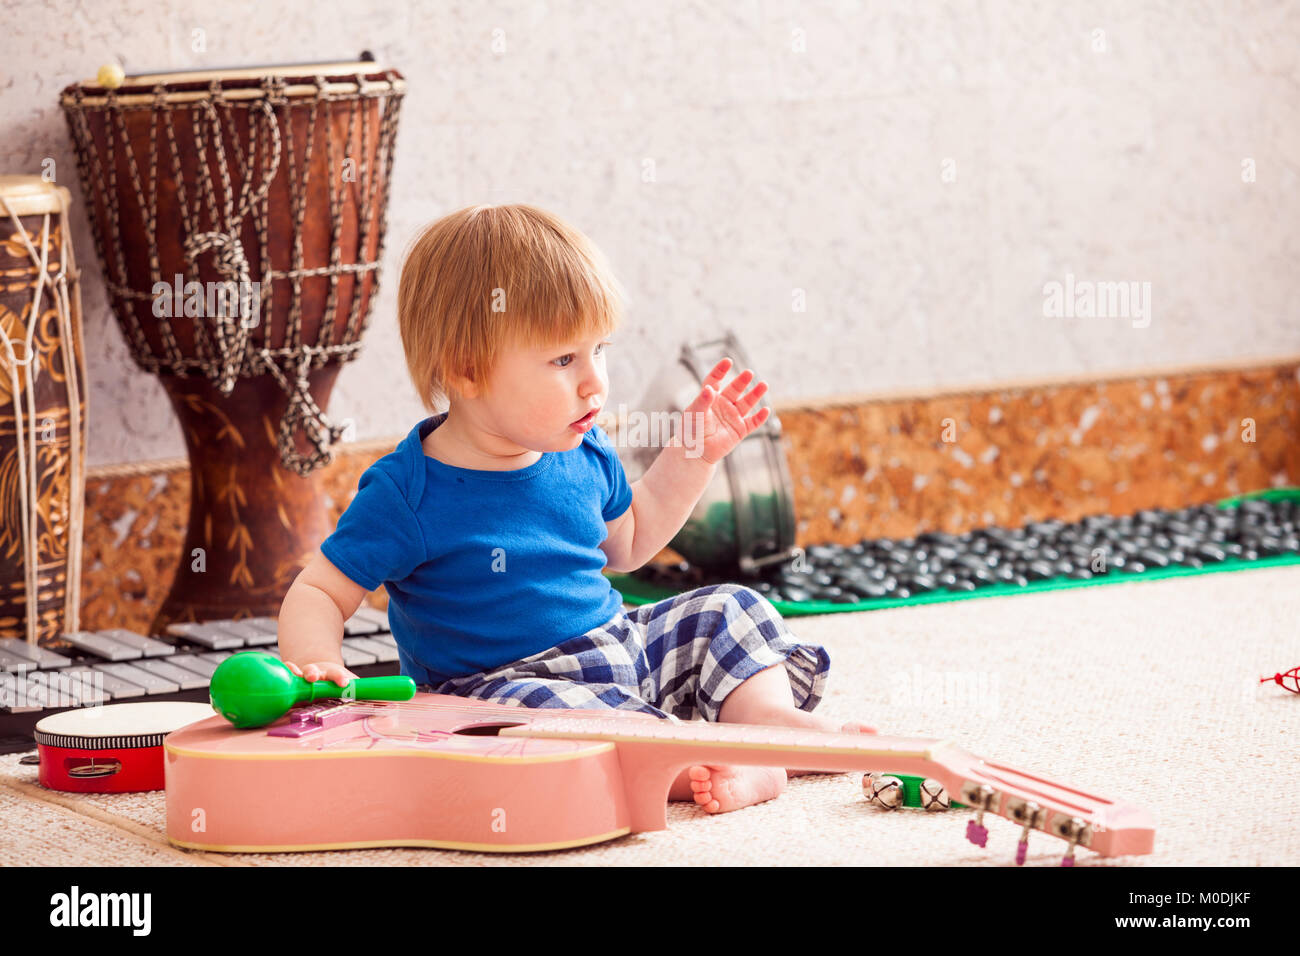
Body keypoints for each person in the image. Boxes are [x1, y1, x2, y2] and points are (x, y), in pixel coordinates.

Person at [278, 204, 874, 814]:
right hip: (502, 690)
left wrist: (693, 457)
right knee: (556, 736)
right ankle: (706, 761)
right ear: (467, 369)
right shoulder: (407, 492)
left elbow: (631, 541)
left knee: (728, 607)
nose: (595, 382)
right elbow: (321, 591)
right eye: (564, 360)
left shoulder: (583, 448)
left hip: (621, 646)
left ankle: (765, 721)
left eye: (599, 351)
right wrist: (318, 662)